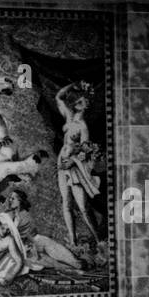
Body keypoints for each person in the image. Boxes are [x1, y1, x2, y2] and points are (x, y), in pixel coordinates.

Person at [54, 81, 101, 245]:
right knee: (66, 204)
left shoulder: (82, 126)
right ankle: (73, 241)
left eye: (84, 101)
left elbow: (85, 150)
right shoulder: (68, 117)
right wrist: (73, 84)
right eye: (80, 101)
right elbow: (59, 96)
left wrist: (72, 163)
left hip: (73, 167)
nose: (83, 103)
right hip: (61, 164)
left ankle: (99, 239)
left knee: (82, 207)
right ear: (75, 104)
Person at [5, 188, 84, 272]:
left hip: (32, 242)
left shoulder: (26, 215)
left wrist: (31, 243)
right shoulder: (8, 215)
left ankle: (76, 262)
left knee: (46, 242)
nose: (10, 200)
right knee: (51, 263)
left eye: (13, 198)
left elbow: (30, 233)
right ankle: (72, 269)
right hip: (21, 249)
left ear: (20, 200)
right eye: (10, 198)